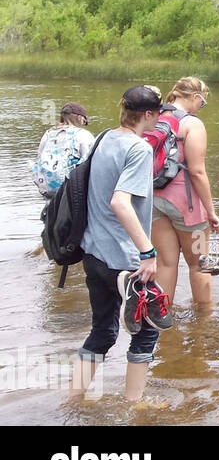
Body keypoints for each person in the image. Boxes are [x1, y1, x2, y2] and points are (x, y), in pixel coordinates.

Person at [70, 86, 171, 403]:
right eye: (158, 113)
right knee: (148, 330)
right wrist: (148, 253)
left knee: (103, 331)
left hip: (93, 254)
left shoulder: (103, 138)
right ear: (147, 115)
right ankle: (135, 404)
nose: (159, 118)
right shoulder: (139, 149)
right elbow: (120, 203)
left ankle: (73, 398)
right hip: (123, 260)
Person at [151, 77, 219, 310]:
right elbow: (197, 171)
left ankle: (162, 319)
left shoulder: (154, 117)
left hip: (154, 199)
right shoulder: (192, 124)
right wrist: (211, 212)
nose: (200, 107)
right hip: (185, 205)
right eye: (201, 102)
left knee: (165, 263)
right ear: (195, 97)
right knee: (199, 264)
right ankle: (204, 323)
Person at [32, 102, 95, 198]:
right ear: (79, 118)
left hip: (48, 190)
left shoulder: (48, 134)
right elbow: (90, 162)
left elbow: (39, 159)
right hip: (72, 190)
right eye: (84, 121)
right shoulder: (83, 135)